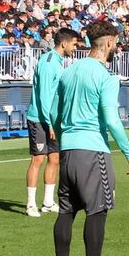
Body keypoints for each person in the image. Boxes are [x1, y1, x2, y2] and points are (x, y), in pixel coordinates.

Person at [50, 20, 129, 256]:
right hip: (93, 150)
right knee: (97, 211)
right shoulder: (106, 76)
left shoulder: (68, 72)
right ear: (109, 42)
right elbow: (111, 119)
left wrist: (66, 139)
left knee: (66, 211)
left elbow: (54, 113)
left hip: (68, 151)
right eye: (116, 42)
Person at [23, 28, 78, 216]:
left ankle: (48, 201)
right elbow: (44, 95)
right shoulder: (48, 63)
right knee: (38, 159)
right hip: (40, 118)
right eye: (74, 43)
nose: (75, 47)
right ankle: (31, 204)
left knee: (54, 159)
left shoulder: (58, 62)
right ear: (64, 43)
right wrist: (49, 123)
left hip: (52, 119)